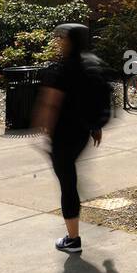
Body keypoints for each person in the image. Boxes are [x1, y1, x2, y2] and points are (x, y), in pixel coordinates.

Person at [33, 23, 112, 253]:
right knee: (70, 179)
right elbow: (96, 99)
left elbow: (50, 103)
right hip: (83, 134)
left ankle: (73, 239)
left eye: (62, 38)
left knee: (68, 184)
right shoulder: (91, 65)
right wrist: (96, 127)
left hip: (63, 135)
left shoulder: (62, 69)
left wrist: (43, 130)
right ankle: (73, 230)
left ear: (69, 41)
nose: (59, 41)